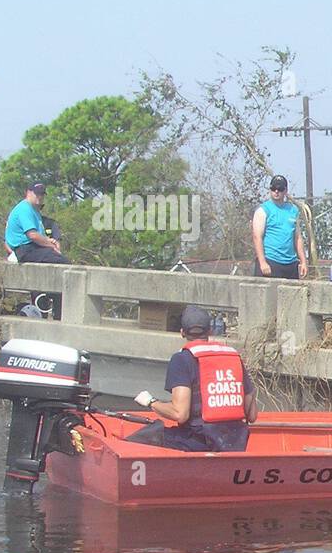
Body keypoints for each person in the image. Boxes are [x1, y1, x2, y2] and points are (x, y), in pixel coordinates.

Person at [130, 305, 257, 452]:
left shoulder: (182, 359)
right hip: (235, 443)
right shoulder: (233, 356)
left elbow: (180, 414)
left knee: (141, 439)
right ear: (210, 331)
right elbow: (252, 416)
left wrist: (151, 402)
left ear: (182, 332)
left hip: (198, 443)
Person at [252, 175, 308, 280]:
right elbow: (257, 237)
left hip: (290, 264)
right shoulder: (263, 210)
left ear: (286, 191)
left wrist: (303, 262)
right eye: (274, 188)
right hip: (271, 262)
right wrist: (262, 262)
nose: (276, 191)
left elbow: (298, 238)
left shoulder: (293, 210)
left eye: (280, 189)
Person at [5, 184, 66, 264]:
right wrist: (51, 246)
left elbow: (38, 235)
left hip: (32, 247)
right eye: (37, 193)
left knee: (59, 258)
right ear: (28, 193)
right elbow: (32, 235)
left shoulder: (34, 210)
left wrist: (48, 240)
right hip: (25, 249)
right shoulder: (24, 209)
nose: (39, 197)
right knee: (61, 262)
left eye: (42, 194)